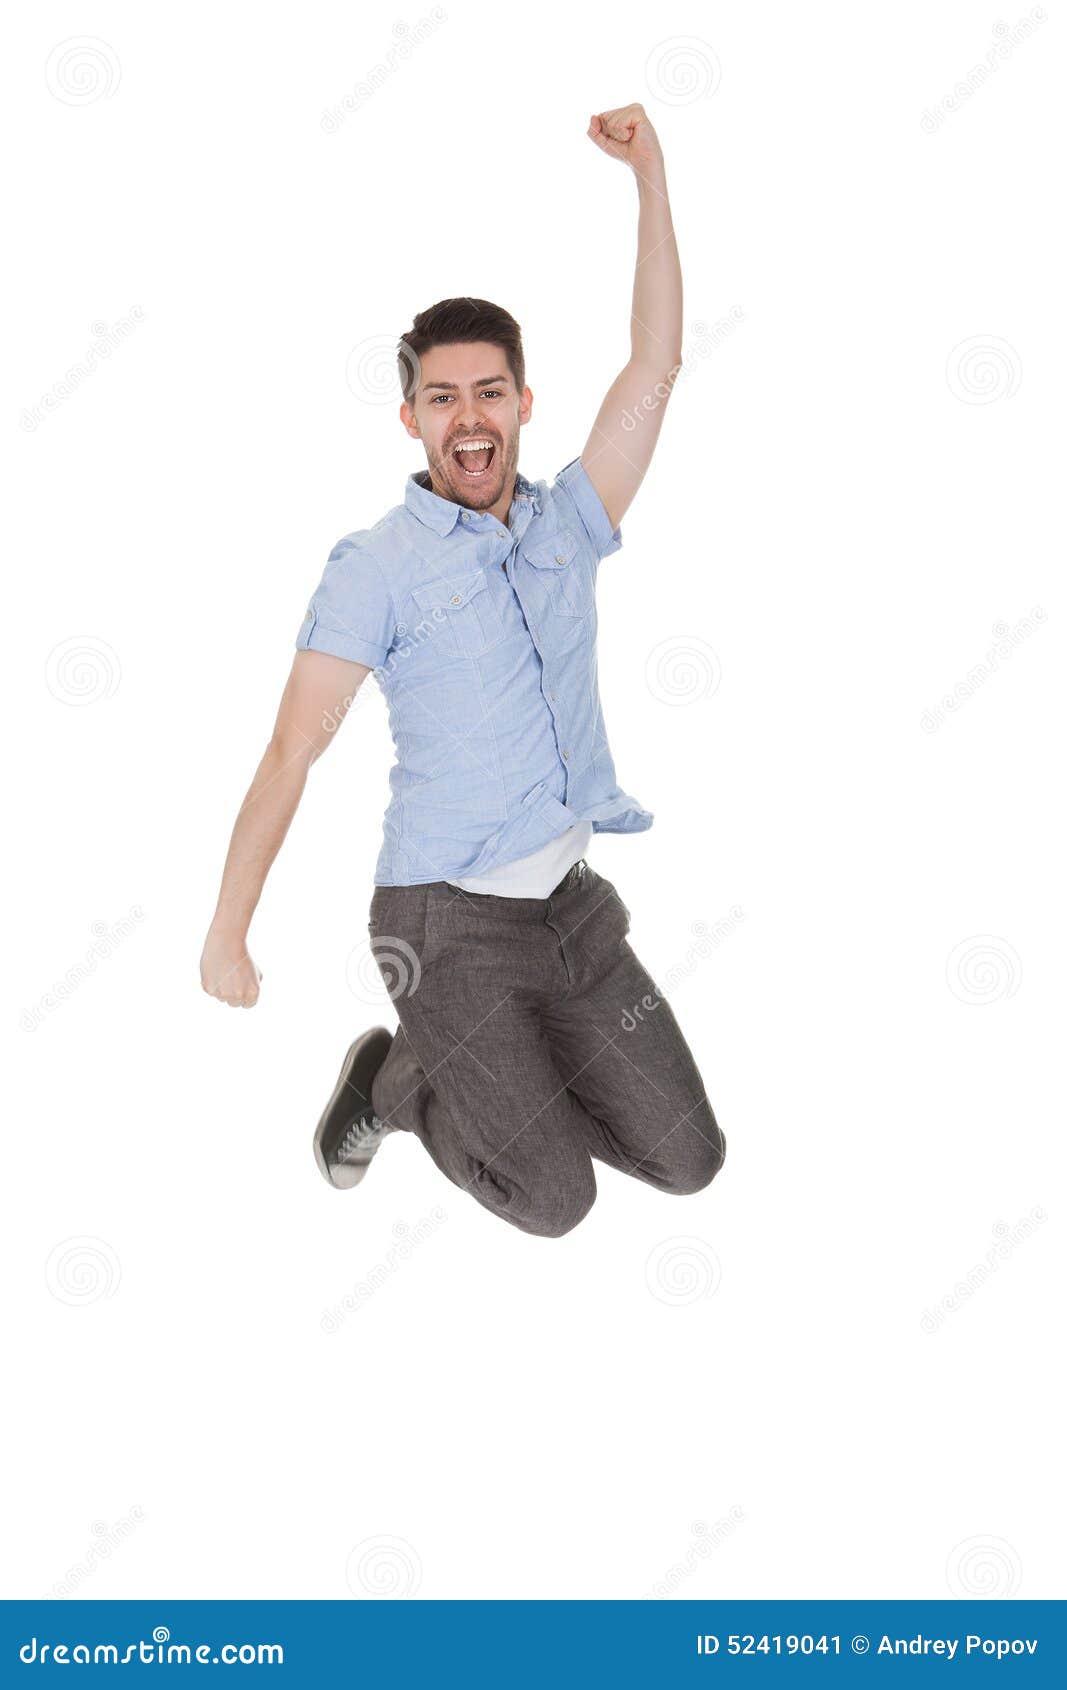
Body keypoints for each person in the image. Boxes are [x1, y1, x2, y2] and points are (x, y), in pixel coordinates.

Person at [200, 104, 725, 1237]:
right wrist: (228, 927)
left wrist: (651, 178)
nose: (468, 417)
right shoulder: (374, 569)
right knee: (553, 1199)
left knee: (687, 1160)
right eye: (442, 398)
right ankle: (395, 1080)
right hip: (444, 924)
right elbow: (294, 747)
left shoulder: (567, 523)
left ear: (522, 405)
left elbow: (656, 361)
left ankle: (503, 1069)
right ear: (411, 419)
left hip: (569, 916)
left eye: (489, 391)